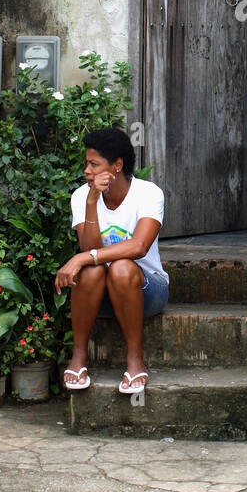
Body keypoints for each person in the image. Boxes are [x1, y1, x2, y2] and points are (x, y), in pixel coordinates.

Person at [55, 127, 169, 395]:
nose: (87, 171)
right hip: (98, 295)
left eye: (94, 164)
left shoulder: (148, 194)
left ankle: (134, 357)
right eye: (87, 163)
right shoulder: (82, 196)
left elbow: (139, 246)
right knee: (91, 271)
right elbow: (90, 248)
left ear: (117, 166)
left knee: (119, 267)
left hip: (147, 291)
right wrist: (93, 201)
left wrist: (84, 257)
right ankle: (79, 356)